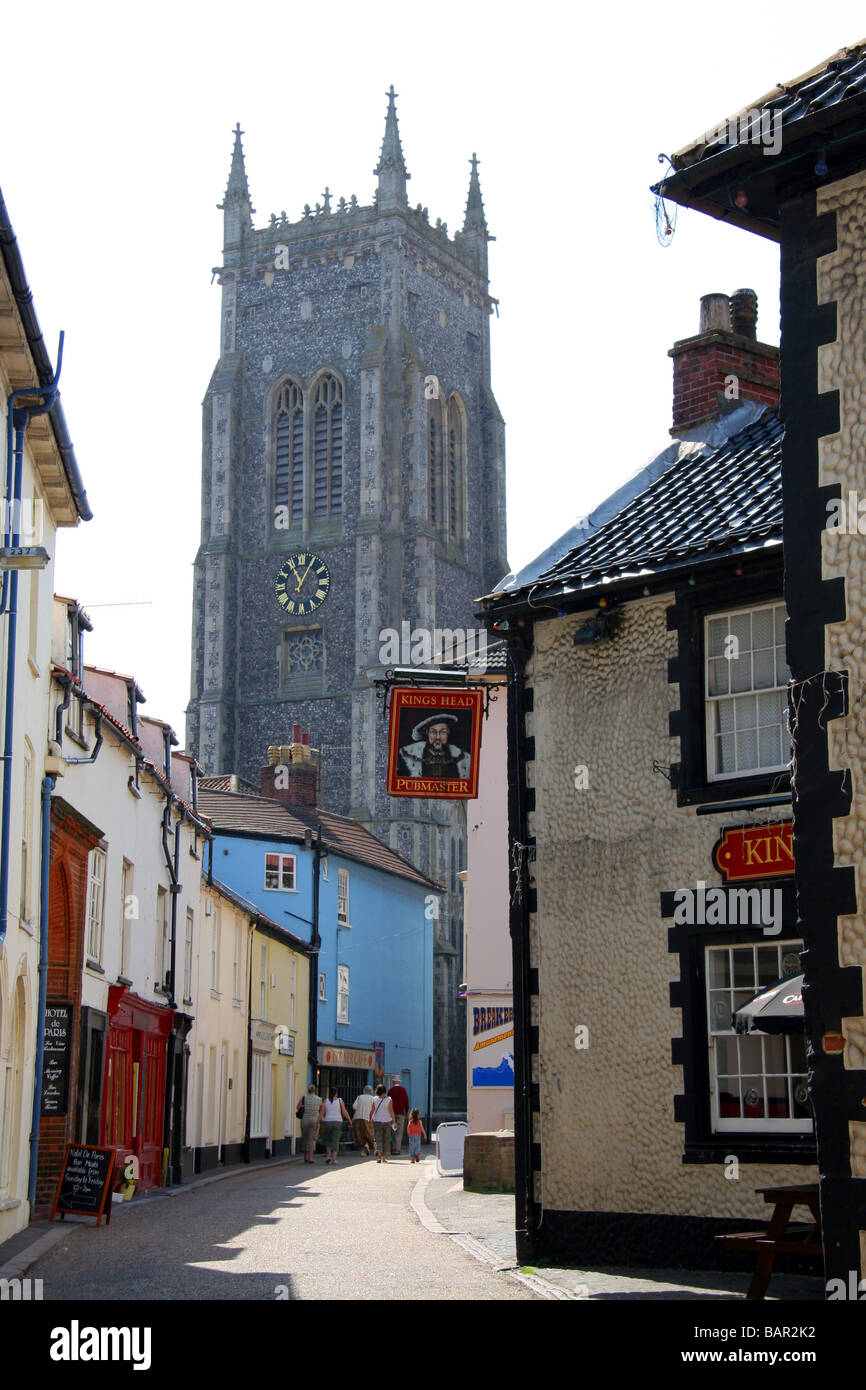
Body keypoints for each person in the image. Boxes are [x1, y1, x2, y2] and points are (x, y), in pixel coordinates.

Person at [398, 713, 470, 780]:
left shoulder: (462, 757)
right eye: (433, 732)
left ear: (448, 733)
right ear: (427, 734)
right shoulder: (408, 754)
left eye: (443, 732)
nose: (438, 737)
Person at [320, 1087, 351, 1164]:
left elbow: (322, 1112)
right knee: (335, 1139)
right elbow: (344, 1112)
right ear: (336, 1093)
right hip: (337, 1122)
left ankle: (328, 1155)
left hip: (327, 1122)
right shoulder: (340, 1101)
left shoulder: (325, 1101)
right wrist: (349, 1120)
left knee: (328, 1139)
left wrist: (317, 1122)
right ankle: (334, 1158)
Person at [371, 1084, 395, 1163]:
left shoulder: (374, 1099)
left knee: (378, 1139)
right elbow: (391, 1111)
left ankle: (378, 1156)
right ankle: (384, 1157)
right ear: (385, 1091)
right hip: (387, 1121)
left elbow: (372, 1110)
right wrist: (394, 1121)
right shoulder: (389, 1099)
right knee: (386, 1139)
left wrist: (370, 1119)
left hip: (377, 1121)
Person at [388, 1074, 410, 1155]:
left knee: (393, 1130)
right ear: (398, 1082)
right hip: (401, 1113)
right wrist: (407, 1111)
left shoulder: (390, 1091)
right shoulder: (403, 1090)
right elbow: (406, 1102)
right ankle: (397, 1149)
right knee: (399, 1132)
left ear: (393, 1082)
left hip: (392, 1114)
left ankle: (393, 1148)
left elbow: (388, 1103)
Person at [300, 1083, 321, 1163]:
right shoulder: (319, 1099)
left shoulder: (304, 1098)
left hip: (305, 1119)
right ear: (315, 1090)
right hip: (314, 1120)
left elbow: (298, 1107)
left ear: (308, 1091)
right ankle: (310, 1158)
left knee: (305, 1138)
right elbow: (322, 1110)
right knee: (312, 1139)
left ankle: (305, 1157)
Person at [351, 1084, 375, 1154]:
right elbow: (374, 1109)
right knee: (368, 1134)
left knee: (359, 1134)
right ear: (371, 1091)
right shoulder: (372, 1098)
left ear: (364, 1091)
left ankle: (363, 1149)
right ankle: (366, 1146)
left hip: (357, 1118)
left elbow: (354, 1107)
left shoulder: (359, 1097)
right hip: (367, 1118)